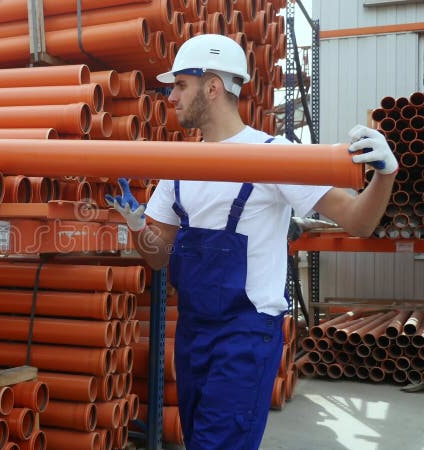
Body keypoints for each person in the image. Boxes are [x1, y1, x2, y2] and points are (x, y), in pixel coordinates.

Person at [105, 34, 397, 450]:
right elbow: (157, 259)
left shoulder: (274, 155)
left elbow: (359, 220)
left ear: (212, 86)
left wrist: (385, 174)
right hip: (193, 334)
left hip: (246, 336)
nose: (171, 97)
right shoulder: (177, 166)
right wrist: (136, 226)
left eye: (181, 85)